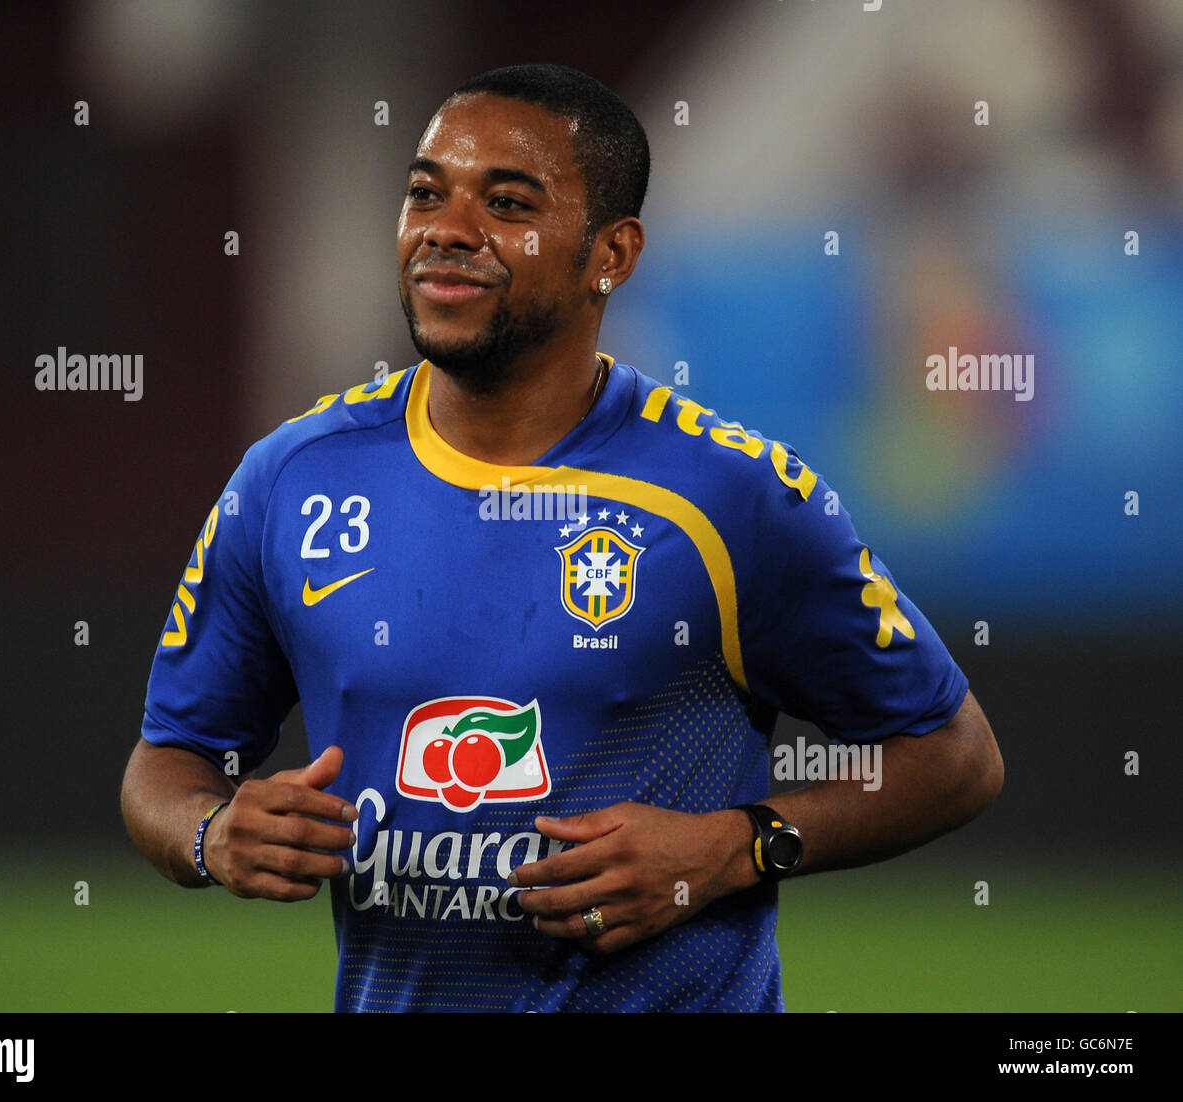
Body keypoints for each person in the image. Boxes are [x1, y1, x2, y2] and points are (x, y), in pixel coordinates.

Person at [120, 63, 1003, 1012]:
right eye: (426, 193)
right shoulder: (292, 480)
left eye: (507, 202)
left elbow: (954, 758)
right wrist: (213, 835)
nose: (446, 231)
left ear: (611, 254)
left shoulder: (733, 498)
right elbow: (168, 760)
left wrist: (732, 848)